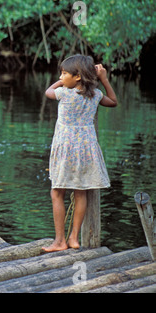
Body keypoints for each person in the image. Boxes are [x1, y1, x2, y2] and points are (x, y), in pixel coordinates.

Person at [42, 54, 117, 252]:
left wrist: (61, 82)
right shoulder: (96, 95)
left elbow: (48, 91)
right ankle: (74, 238)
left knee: (57, 191)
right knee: (80, 192)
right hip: (86, 149)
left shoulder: (64, 93)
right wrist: (104, 79)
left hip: (66, 148)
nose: (61, 76)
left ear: (77, 77)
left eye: (64, 73)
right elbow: (114, 101)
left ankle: (60, 241)